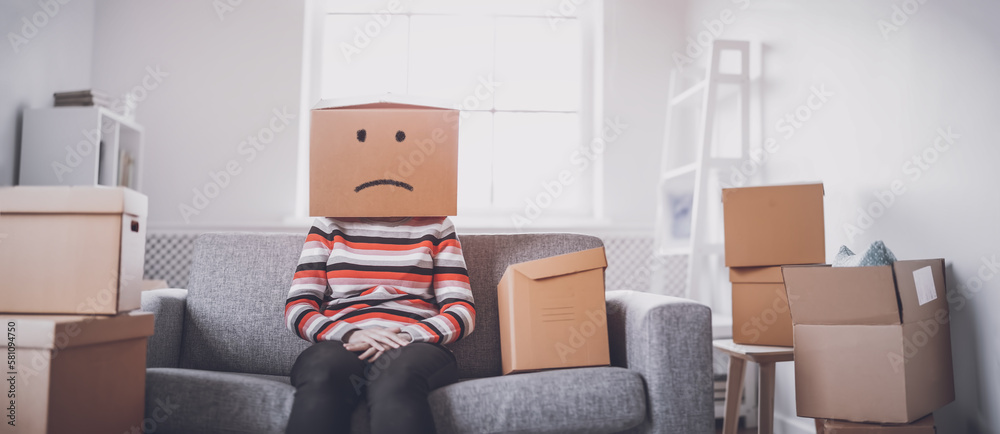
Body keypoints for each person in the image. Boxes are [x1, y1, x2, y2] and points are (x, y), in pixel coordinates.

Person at [283, 216, 475, 434]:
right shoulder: (327, 224)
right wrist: (349, 334)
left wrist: (405, 336)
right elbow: (298, 307)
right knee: (324, 371)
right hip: (342, 342)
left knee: (397, 377)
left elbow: (461, 310)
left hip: (414, 344)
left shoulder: (438, 225)